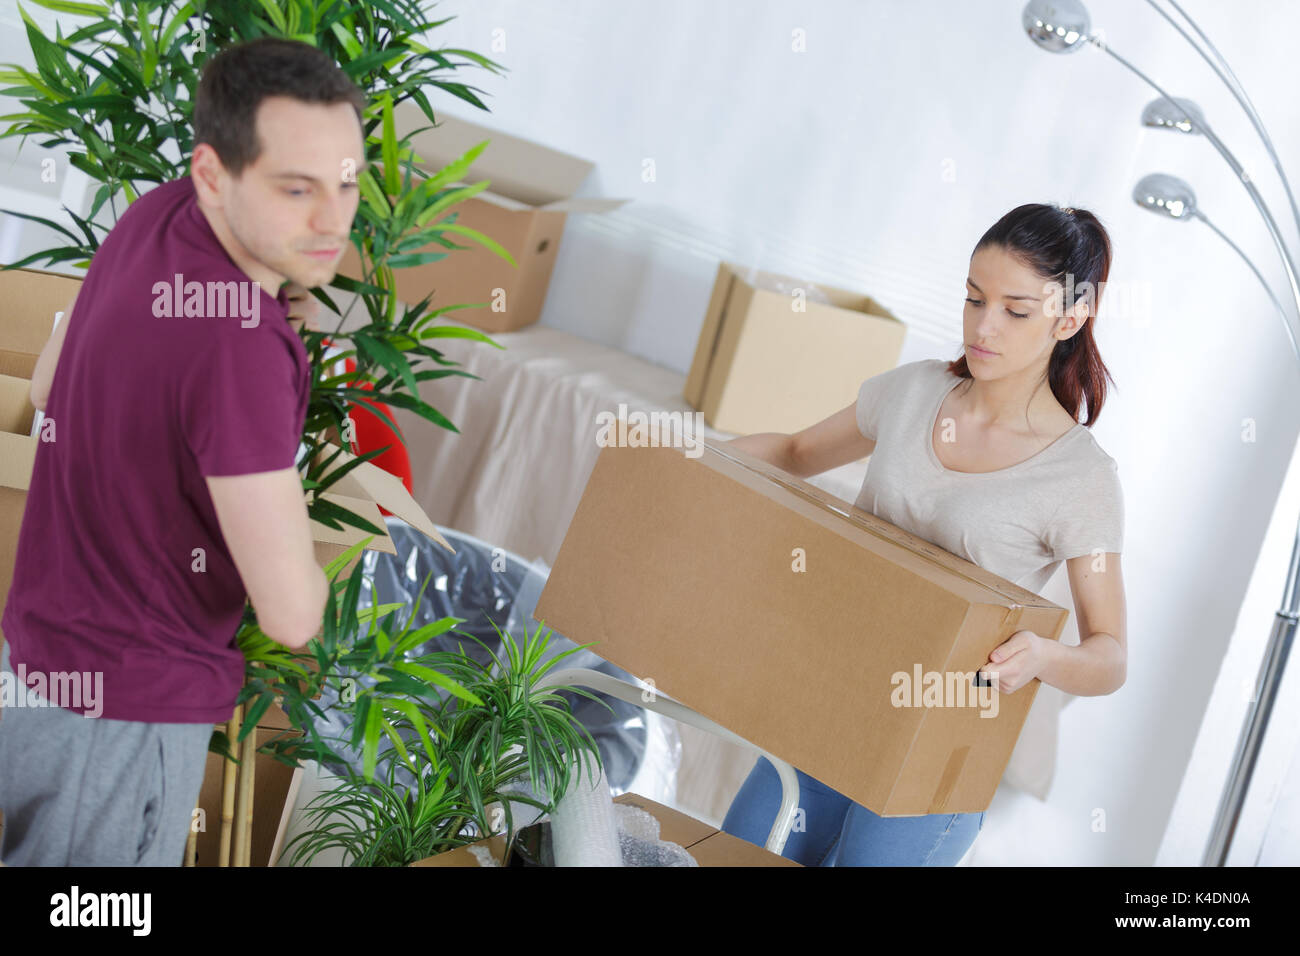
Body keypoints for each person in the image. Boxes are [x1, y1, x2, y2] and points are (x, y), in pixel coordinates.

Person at [0, 37, 365, 866]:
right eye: (296, 188)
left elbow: (55, 388)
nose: (332, 220)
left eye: (346, 181)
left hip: (30, 668)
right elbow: (293, 614)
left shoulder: (154, 216)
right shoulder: (241, 348)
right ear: (215, 174)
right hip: (121, 727)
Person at [719, 203, 1128, 866]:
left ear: (1071, 317)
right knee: (736, 854)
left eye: (1015, 310)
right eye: (973, 299)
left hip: (938, 754)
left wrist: (1042, 657)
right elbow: (795, 453)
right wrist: (682, 461)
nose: (983, 326)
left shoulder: (1080, 479)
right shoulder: (912, 393)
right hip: (832, 707)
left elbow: (1110, 656)